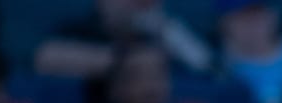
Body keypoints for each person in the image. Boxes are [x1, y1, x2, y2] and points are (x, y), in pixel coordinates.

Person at [34, 0, 212, 78]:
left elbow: (209, 68)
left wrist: (173, 35)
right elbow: (45, 58)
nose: (142, 3)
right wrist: (127, 60)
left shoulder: (164, 40)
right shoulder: (77, 29)